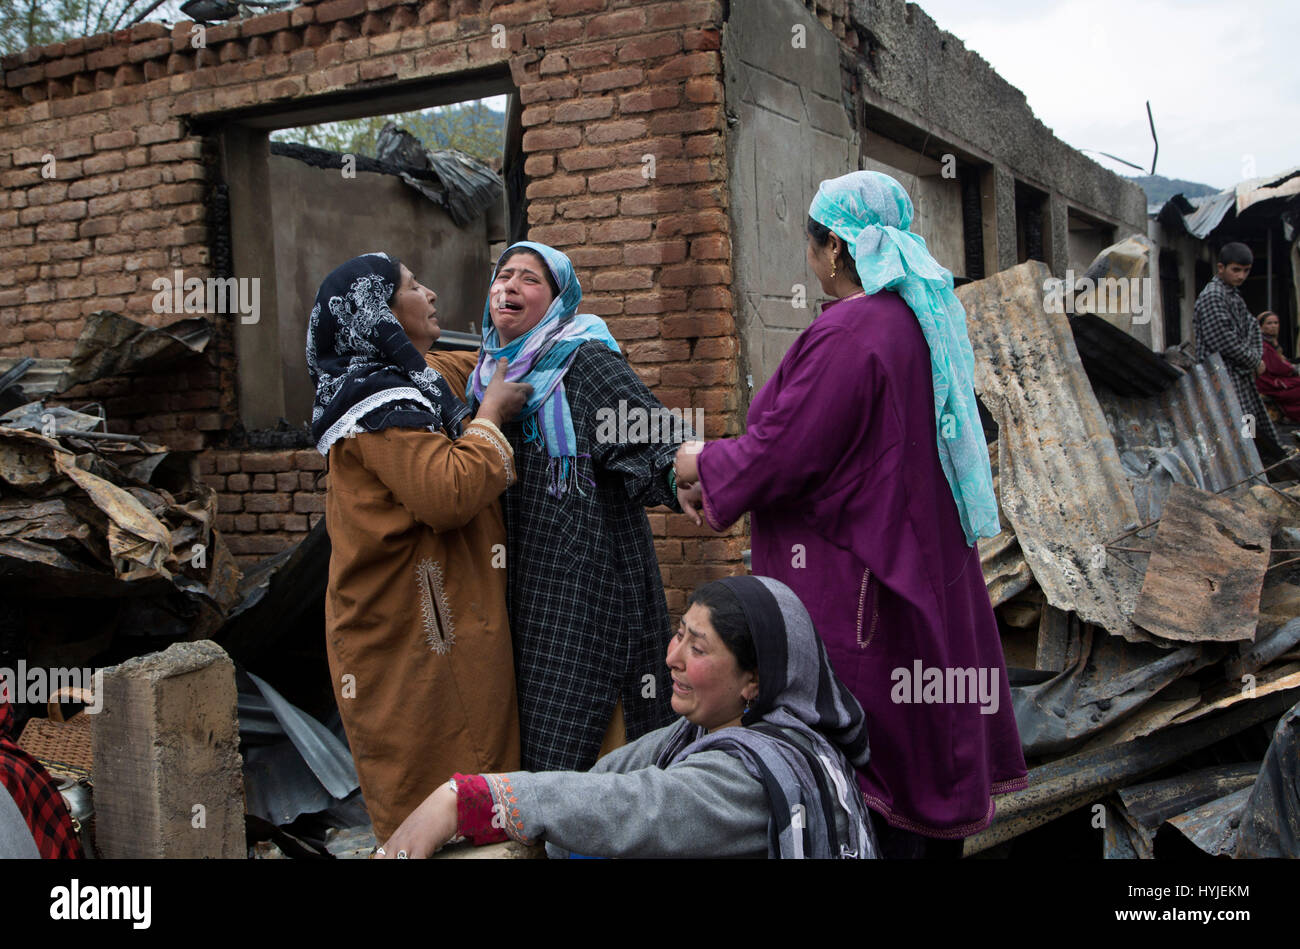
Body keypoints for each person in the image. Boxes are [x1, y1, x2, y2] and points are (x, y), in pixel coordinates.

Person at [673, 171, 1027, 858]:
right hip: (920, 565)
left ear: (833, 249)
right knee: (923, 744)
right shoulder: (919, 321)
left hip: (859, 579)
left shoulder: (852, 331)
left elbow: (781, 450)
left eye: (811, 242)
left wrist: (700, 461)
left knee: (870, 765)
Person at [376, 576, 878, 859]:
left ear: (753, 681)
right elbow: (600, 784)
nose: (671, 657)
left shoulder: (760, 774)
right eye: (678, 633)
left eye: (697, 647)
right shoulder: (692, 734)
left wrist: (466, 799)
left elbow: (639, 806)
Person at [307, 252, 532, 841]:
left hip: (436, 624)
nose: (430, 295)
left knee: (466, 788)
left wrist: (527, 338)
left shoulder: (414, 379)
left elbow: (479, 365)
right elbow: (448, 493)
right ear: (378, 313)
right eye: (413, 287)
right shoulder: (379, 406)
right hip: (417, 636)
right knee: (440, 791)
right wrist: (488, 417)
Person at [463, 241, 693, 772]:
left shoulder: (582, 359)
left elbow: (651, 434)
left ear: (558, 299)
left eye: (530, 279)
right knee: (538, 733)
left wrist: (679, 472)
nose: (510, 285)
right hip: (521, 590)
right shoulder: (481, 380)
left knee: (604, 745)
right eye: (503, 275)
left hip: (590, 580)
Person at [1193, 243, 1284, 453]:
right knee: (1229, 431)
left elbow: (1253, 326)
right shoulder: (1213, 296)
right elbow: (1224, 341)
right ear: (1221, 267)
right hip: (1221, 376)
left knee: (1248, 424)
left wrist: (1256, 357)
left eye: (1246, 271)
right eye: (1236, 270)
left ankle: (1254, 466)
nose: (1241, 276)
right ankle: (1241, 472)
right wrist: (1255, 361)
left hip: (1240, 376)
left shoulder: (1233, 294)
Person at [1255, 310, 1300, 423]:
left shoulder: (1272, 343)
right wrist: (1293, 369)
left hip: (1278, 379)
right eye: (1269, 323)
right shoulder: (1262, 345)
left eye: (1276, 323)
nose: (1274, 326)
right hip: (1269, 382)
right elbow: (1277, 367)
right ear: (1261, 327)